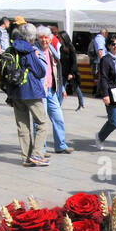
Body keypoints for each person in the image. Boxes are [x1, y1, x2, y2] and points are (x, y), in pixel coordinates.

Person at [7, 22, 49, 167]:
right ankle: (37, 155)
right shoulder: (29, 50)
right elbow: (40, 71)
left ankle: (26, 158)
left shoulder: (12, 48)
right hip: (31, 90)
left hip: (15, 90)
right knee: (42, 122)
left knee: (22, 125)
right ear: (32, 37)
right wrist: (36, 57)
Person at [35, 25, 71, 153]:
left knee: (58, 117)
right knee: (40, 121)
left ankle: (60, 145)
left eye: (46, 38)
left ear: (50, 39)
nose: (44, 40)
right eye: (41, 38)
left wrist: (61, 87)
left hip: (52, 89)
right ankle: (41, 149)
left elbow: (56, 70)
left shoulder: (51, 49)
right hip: (40, 91)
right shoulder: (35, 51)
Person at [57, 29, 85, 109]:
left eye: (60, 38)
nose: (59, 39)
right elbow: (62, 60)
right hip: (64, 71)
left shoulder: (71, 48)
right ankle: (59, 104)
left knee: (76, 87)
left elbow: (74, 61)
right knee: (62, 88)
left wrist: (71, 73)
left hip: (71, 71)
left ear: (64, 38)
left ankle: (81, 103)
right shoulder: (61, 48)